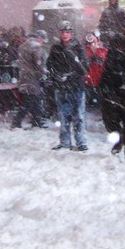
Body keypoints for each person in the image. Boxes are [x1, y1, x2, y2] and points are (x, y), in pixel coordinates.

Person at [46, 20, 89, 151]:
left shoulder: (78, 48)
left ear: (71, 34)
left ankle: (81, 142)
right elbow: (50, 65)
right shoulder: (55, 49)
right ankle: (65, 142)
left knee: (79, 117)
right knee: (64, 117)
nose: (65, 35)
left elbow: (84, 67)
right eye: (63, 32)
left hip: (76, 88)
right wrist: (56, 75)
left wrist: (70, 75)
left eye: (67, 32)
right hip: (61, 87)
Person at [11, 30, 49, 129]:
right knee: (30, 100)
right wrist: (44, 73)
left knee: (35, 98)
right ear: (39, 38)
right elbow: (38, 63)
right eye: (43, 40)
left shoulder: (24, 45)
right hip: (33, 78)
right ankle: (17, 121)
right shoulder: (36, 47)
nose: (43, 43)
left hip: (24, 76)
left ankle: (37, 120)